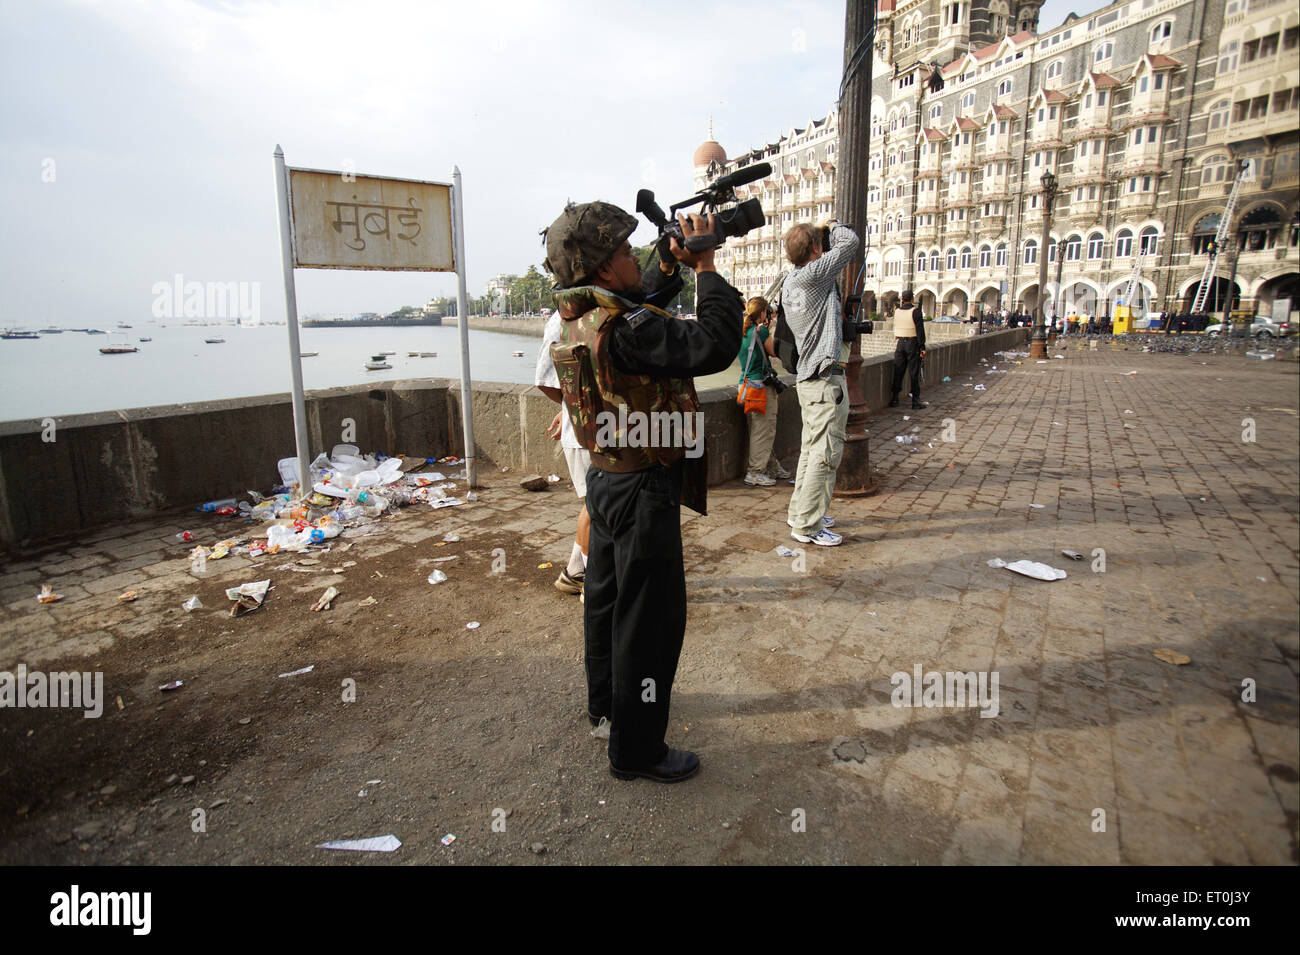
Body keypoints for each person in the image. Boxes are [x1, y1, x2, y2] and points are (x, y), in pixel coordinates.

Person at [543, 200, 742, 783]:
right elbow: (714, 344)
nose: (635, 257)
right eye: (626, 251)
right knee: (649, 620)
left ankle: (606, 707)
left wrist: (670, 264)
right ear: (604, 267)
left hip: (606, 478)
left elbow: (637, 302)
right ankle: (638, 750)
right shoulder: (626, 329)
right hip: (641, 490)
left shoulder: (582, 313)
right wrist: (705, 269)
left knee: (606, 604)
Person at [781, 219, 861, 547]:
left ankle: (803, 510)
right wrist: (833, 226)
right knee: (824, 453)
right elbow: (850, 244)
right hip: (824, 379)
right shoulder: (814, 275)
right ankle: (808, 525)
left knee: (811, 452)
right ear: (815, 250)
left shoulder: (792, 281)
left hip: (809, 378)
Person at [535, 312, 594, 597]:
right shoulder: (565, 318)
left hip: (601, 430)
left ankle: (575, 572)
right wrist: (572, 407)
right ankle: (593, 584)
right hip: (587, 433)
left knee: (596, 505)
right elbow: (545, 380)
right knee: (599, 507)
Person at [737, 296, 789, 487]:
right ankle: (755, 472)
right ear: (762, 313)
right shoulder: (761, 331)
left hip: (746, 384)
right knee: (764, 430)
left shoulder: (743, 331)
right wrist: (772, 325)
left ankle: (771, 466)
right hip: (760, 387)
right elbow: (774, 352)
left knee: (759, 429)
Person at [888, 288, 927, 410]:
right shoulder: (915, 312)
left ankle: (895, 398)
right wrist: (922, 347)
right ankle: (915, 401)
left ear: (902, 299)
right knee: (913, 373)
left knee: (898, 371)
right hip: (912, 343)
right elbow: (920, 331)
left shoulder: (897, 311)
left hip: (900, 343)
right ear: (912, 299)